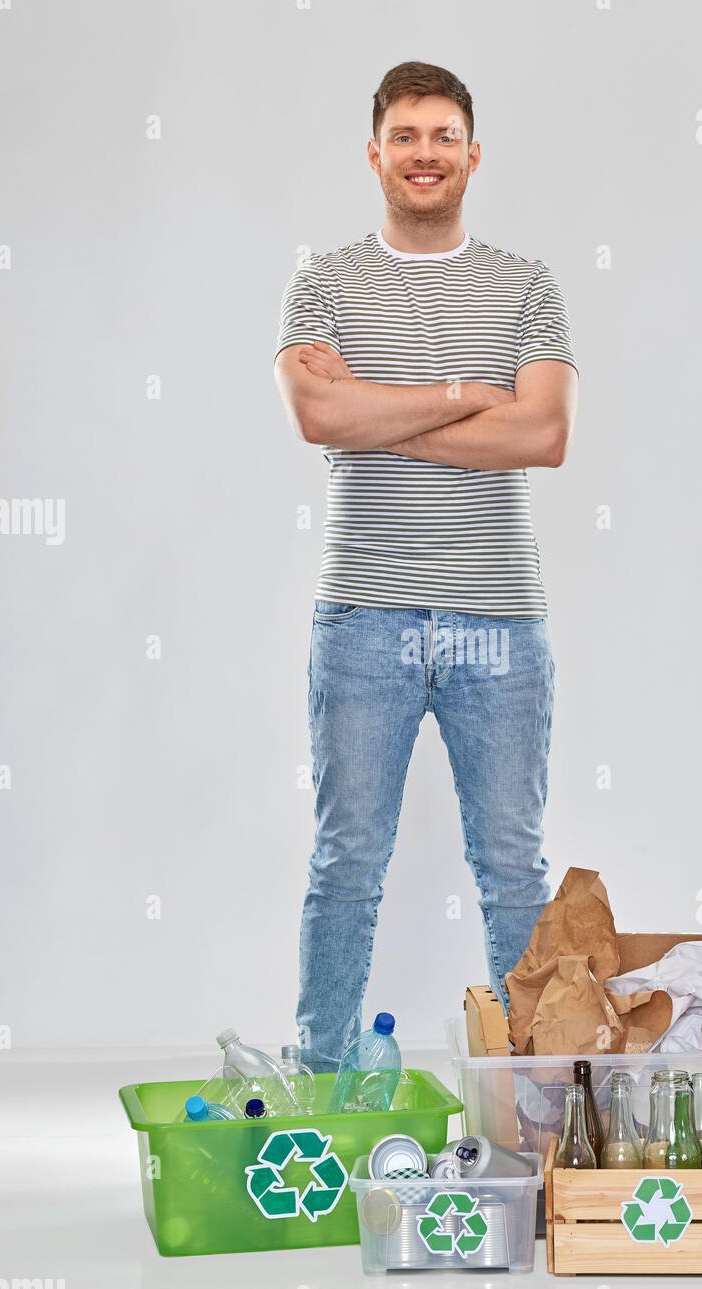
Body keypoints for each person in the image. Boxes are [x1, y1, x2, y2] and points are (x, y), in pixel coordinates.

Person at [273, 60, 579, 1072]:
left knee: (511, 870)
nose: (424, 153)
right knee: (345, 863)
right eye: (405, 136)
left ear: (472, 154)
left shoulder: (525, 283)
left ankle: (535, 1098)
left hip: (501, 616)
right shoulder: (323, 280)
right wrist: (463, 391)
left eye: (442, 135)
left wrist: (382, 412)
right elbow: (319, 413)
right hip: (362, 615)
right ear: (375, 153)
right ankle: (320, 1082)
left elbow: (542, 435)